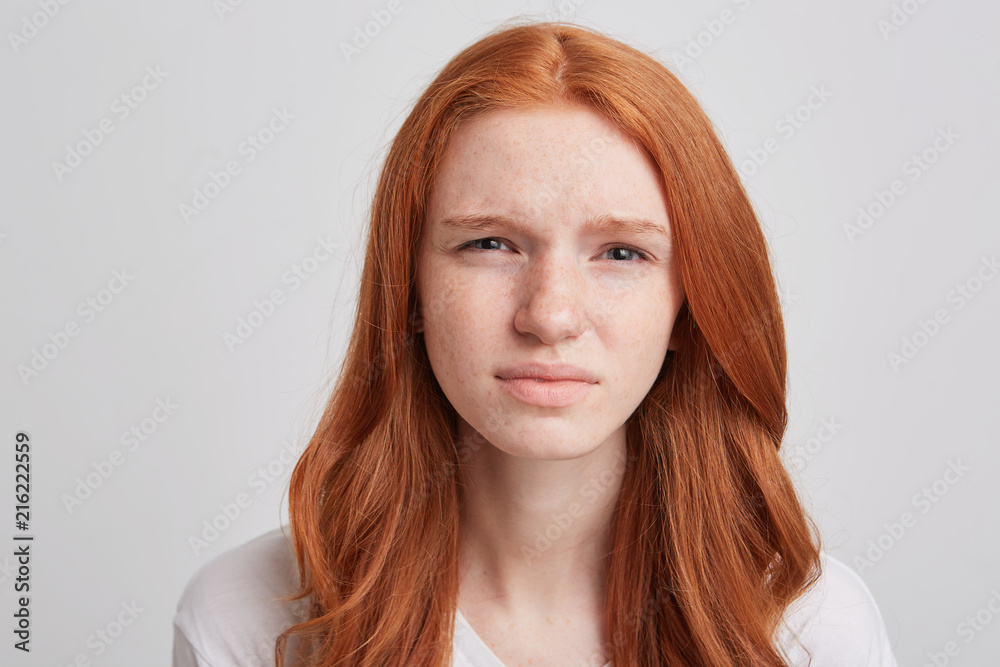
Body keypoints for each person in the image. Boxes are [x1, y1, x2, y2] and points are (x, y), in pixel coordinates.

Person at [173, 20, 899, 667]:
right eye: (490, 243)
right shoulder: (251, 623)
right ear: (411, 289)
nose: (550, 317)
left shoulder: (808, 629)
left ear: (688, 308)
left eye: (621, 253)